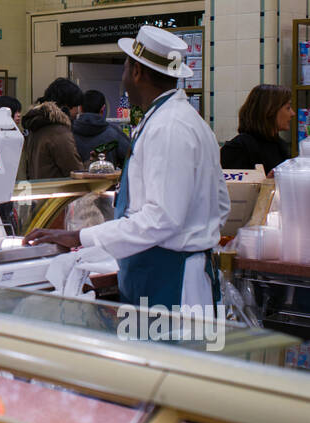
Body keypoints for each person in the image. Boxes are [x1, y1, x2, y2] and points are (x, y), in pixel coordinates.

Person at [29, 25, 230, 311]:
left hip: (170, 282)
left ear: (136, 71)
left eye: (125, 67)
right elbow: (221, 205)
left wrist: (80, 236)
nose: (123, 77)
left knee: (163, 355)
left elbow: (162, 218)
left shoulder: (167, 127)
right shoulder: (187, 121)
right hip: (178, 274)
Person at [19, 78, 85, 178]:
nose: (77, 111)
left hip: (37, 188)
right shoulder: (59, 132)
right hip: (56, 190)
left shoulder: (35, 125)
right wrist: (93, 163)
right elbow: (75, 172)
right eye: (76, 105)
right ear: (67, 105)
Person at [220, 85, 293, 175]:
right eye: (288, 108)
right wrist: (266, 183)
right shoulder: (239, 148)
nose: (293, 113)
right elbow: (232, 186)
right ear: (270, 110)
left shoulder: (280, 144)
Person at [72, 89, 129, 167]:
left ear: (80, 108)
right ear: (103, 108)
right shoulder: (115, 134)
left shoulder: (68, 134)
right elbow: (131, 161)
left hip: (73, 179)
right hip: (107, 179)